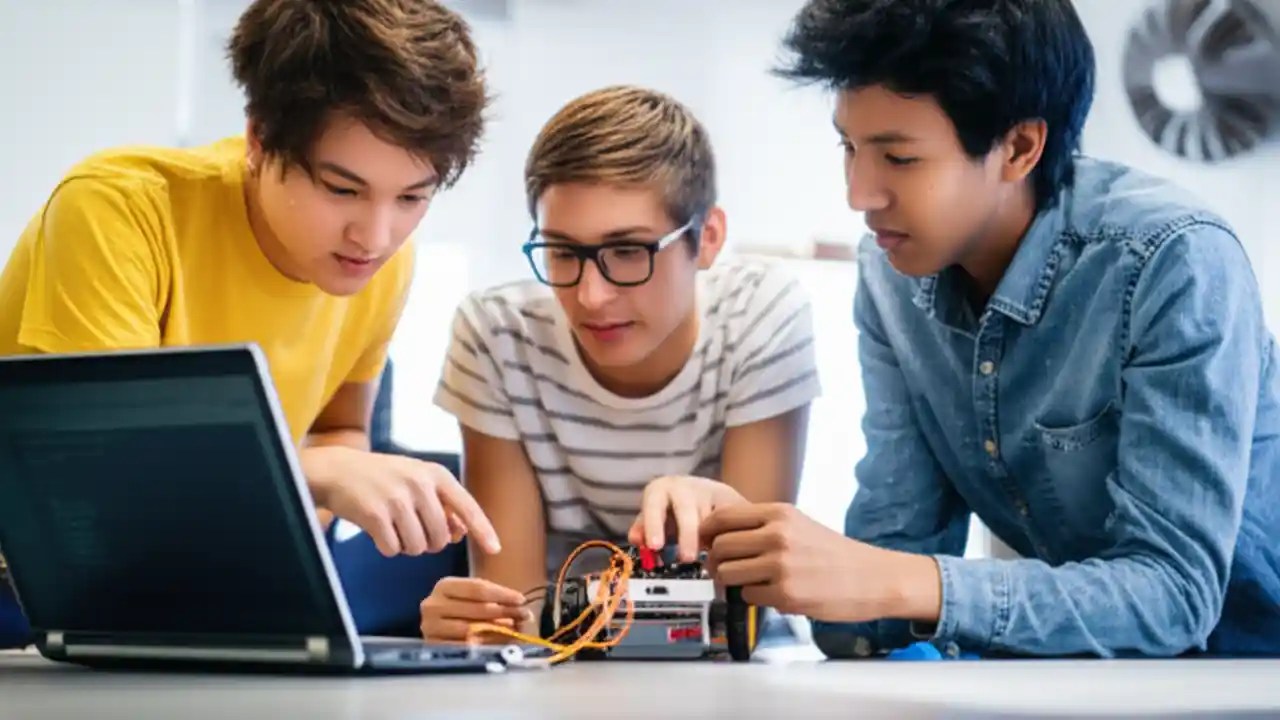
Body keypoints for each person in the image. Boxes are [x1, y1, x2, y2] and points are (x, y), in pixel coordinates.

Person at [699, 0, 1280, 658]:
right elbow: (897, 551)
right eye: (849, 147)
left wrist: (891, 583)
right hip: (1073, 684)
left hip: (1248, 672)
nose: (858, 194)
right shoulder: (892, 273)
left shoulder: (1174, 260)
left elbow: (1175, 597)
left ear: (1019, 147)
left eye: (899, 157)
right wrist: (773, 561)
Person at [0, 0, 501, 573]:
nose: (376, 237)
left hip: (187, 580)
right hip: (27, 580)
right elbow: (105, 477)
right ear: (259, 139)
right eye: (341, 189)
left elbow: (339, 428)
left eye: (413, 197)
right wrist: (309, 474)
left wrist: (284, 516)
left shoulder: (384, 264)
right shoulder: (119, 208)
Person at [419, 86, 822, 642]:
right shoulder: (497, 333)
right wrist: (481, 618)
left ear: (707, 239)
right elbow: (513, 616)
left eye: (629, 251)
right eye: (562, 251)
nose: (591, 296)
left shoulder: (762, 315)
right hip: (559, 669)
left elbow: (740, 608)